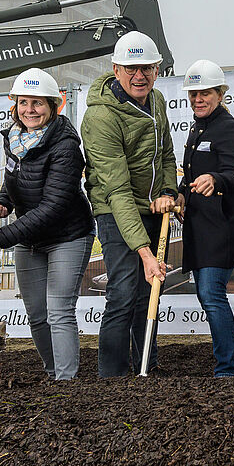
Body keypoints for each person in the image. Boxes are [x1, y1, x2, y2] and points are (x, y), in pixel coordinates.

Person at [0, 68, 92, 382]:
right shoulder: (14, 138)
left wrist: (2, 237)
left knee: (58, 311)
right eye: (24, 102)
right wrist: (4, 201)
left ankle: (67, 383)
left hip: (67, 235)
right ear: (15, 105)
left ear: (54, 106)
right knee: (37, 315)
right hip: (30, 238)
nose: (30, 110)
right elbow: (14, 178)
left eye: (38, 103)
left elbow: (53, 206)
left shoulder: (65, 146)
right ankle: (52, 372)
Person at [81, 32, 177, 378]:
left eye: (147, 68)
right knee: (123, 292)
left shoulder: (158, 101)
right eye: (132, 69)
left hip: (151, 209)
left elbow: (166, 153)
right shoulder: (101, 118)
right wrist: (146, 254)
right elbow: (118, 191)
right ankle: (112, 376)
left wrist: (167, 190)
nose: (140, 76)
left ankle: (145, 367)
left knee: (147, 294)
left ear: (156, 69)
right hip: (114, 209)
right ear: (116, 69)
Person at [177, 59, 234, 378]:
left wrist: (215, 179)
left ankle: (227, 368)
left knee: (210, 293)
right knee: (207, 294)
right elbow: (189, 176)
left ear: (220, 93)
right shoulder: (197, 128)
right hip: (199, 225)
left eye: (205, 93)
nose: (198, 99)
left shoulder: (231, 130)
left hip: (224, 225)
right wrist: (179, 194)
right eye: (193, 94)